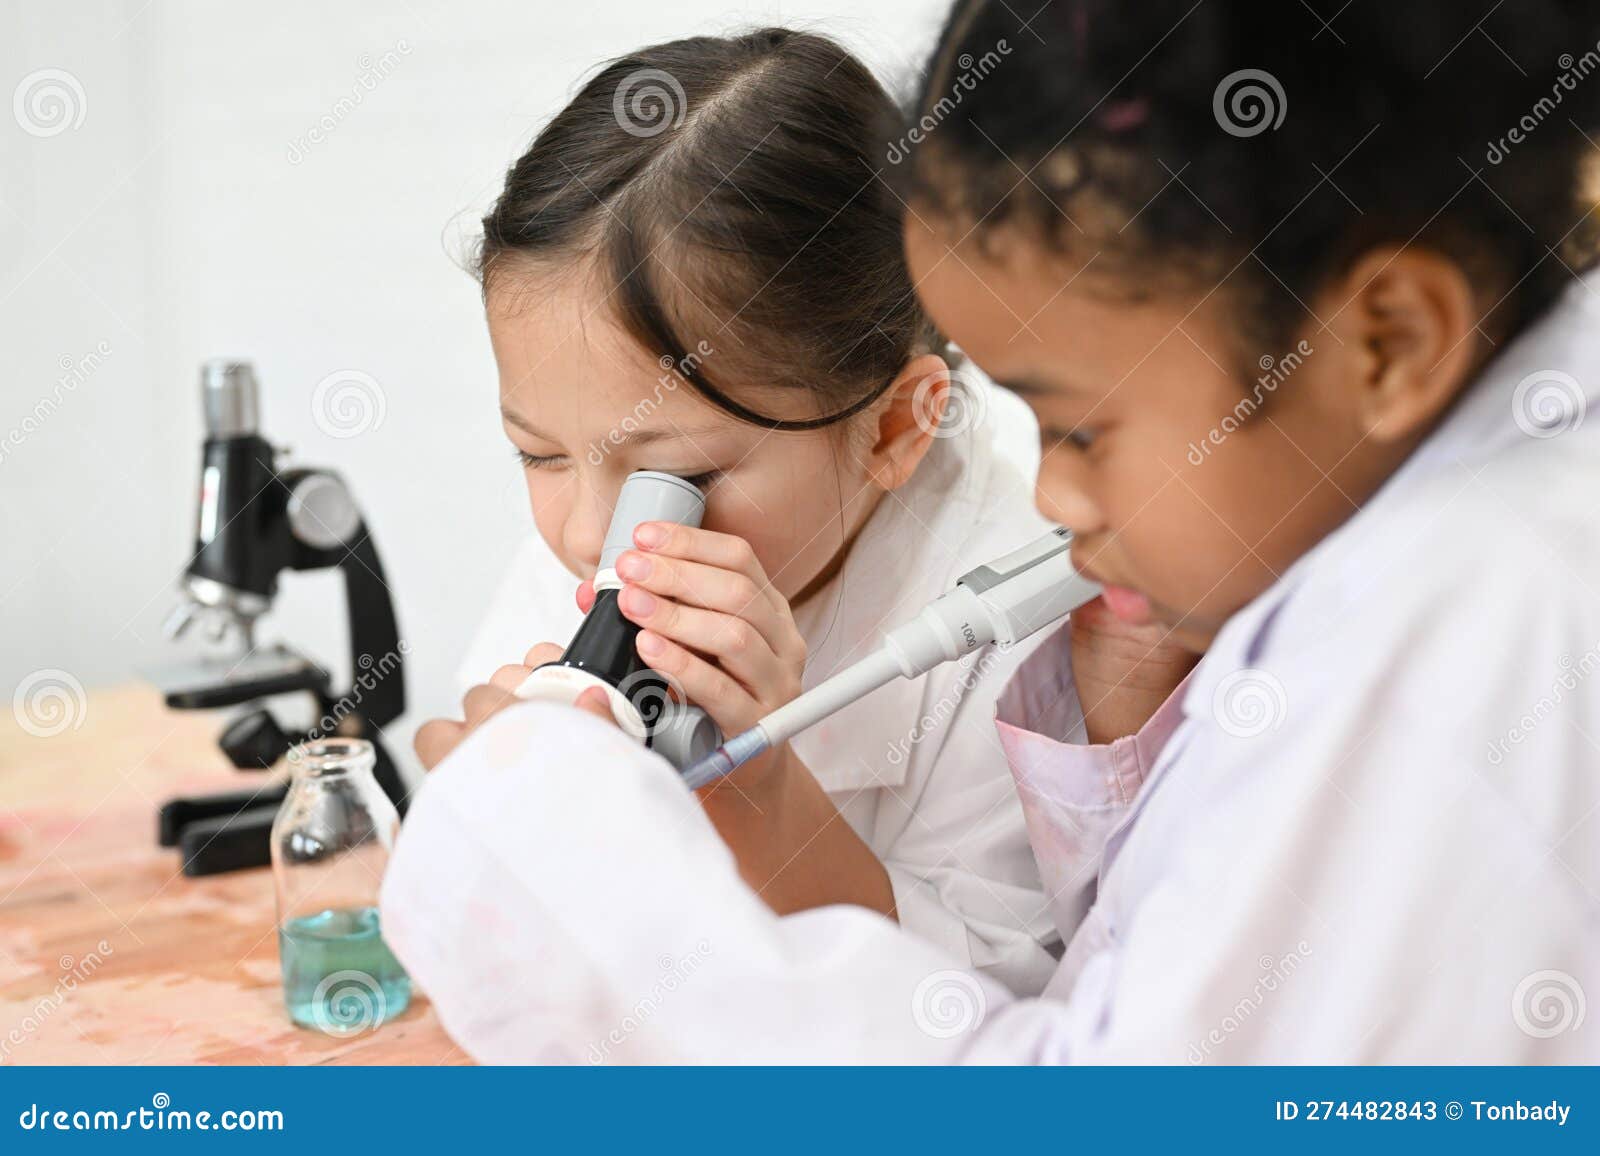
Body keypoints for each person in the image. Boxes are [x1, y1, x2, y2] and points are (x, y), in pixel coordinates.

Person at [383, 0, 1600, 1061]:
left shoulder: (1465, 622)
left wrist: (573, 879)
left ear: (1385, 338)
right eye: (535, 455)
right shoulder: (1433, 555)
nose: (1058, 502)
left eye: (1075, 427)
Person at [416, 28, 1097, 995]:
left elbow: (982, 1008)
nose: (584, 537)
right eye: (539, 454)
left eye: (679, 477)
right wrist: (490, 803)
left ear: (895, 430)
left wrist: (758, 790)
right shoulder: (585, 553)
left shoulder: (1012, 625)